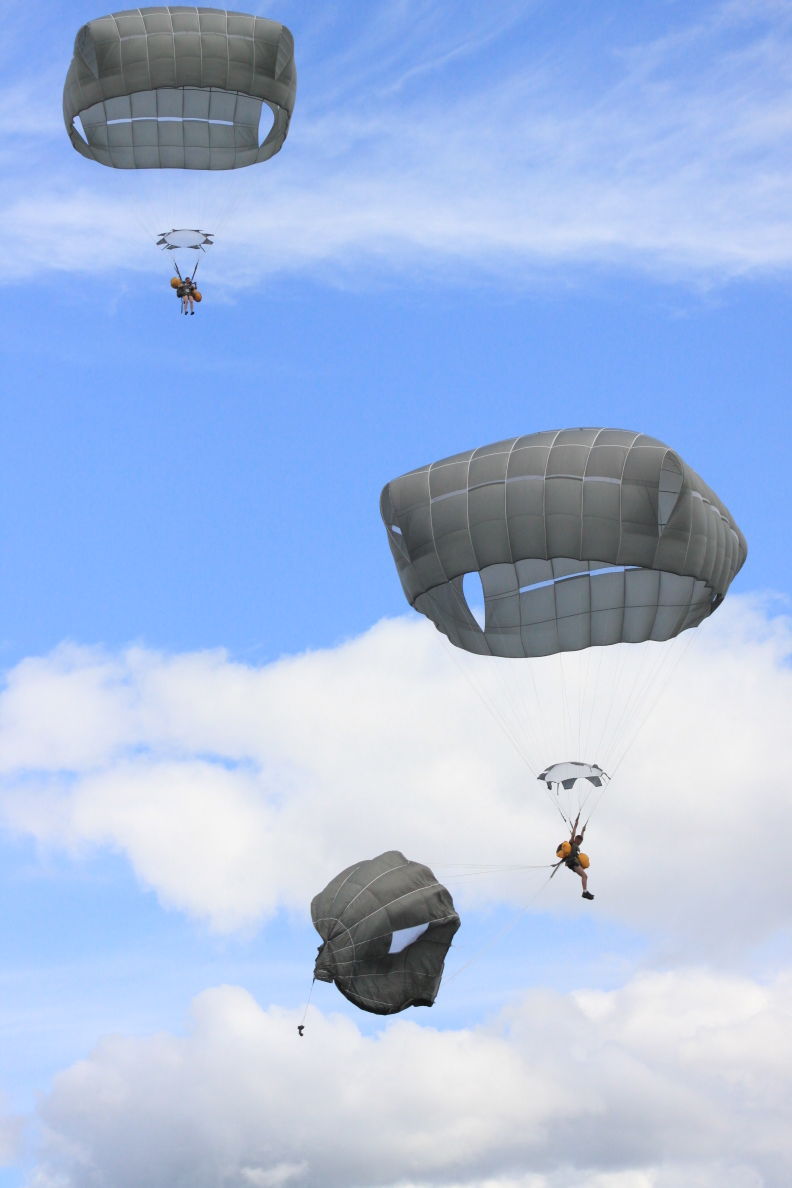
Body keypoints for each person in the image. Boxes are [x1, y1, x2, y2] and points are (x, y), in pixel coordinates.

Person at [557, 833, 594, 900]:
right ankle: (585, 892)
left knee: (584, 876)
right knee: (584, 876)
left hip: (574, 863)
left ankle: (585, 891)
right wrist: (576, 824)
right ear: (575, 839)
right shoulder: (571, 843)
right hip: (572, 862)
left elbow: (581, 837)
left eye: (581, 841)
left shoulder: (576, 846)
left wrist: (583, 830)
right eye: (578, 840)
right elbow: (573, 834)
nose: (580, 842)